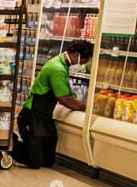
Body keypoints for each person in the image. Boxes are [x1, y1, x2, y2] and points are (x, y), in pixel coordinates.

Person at [11, 39, 92, 169]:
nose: (81, 66)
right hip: (33, 114)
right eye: (82, 62)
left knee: (47, 158)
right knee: (36, 160)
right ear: (77, 55)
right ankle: (12, 149)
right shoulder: (57, 68)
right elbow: (64, 99)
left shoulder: (59, 62)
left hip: (41, 114)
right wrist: (86, 108)